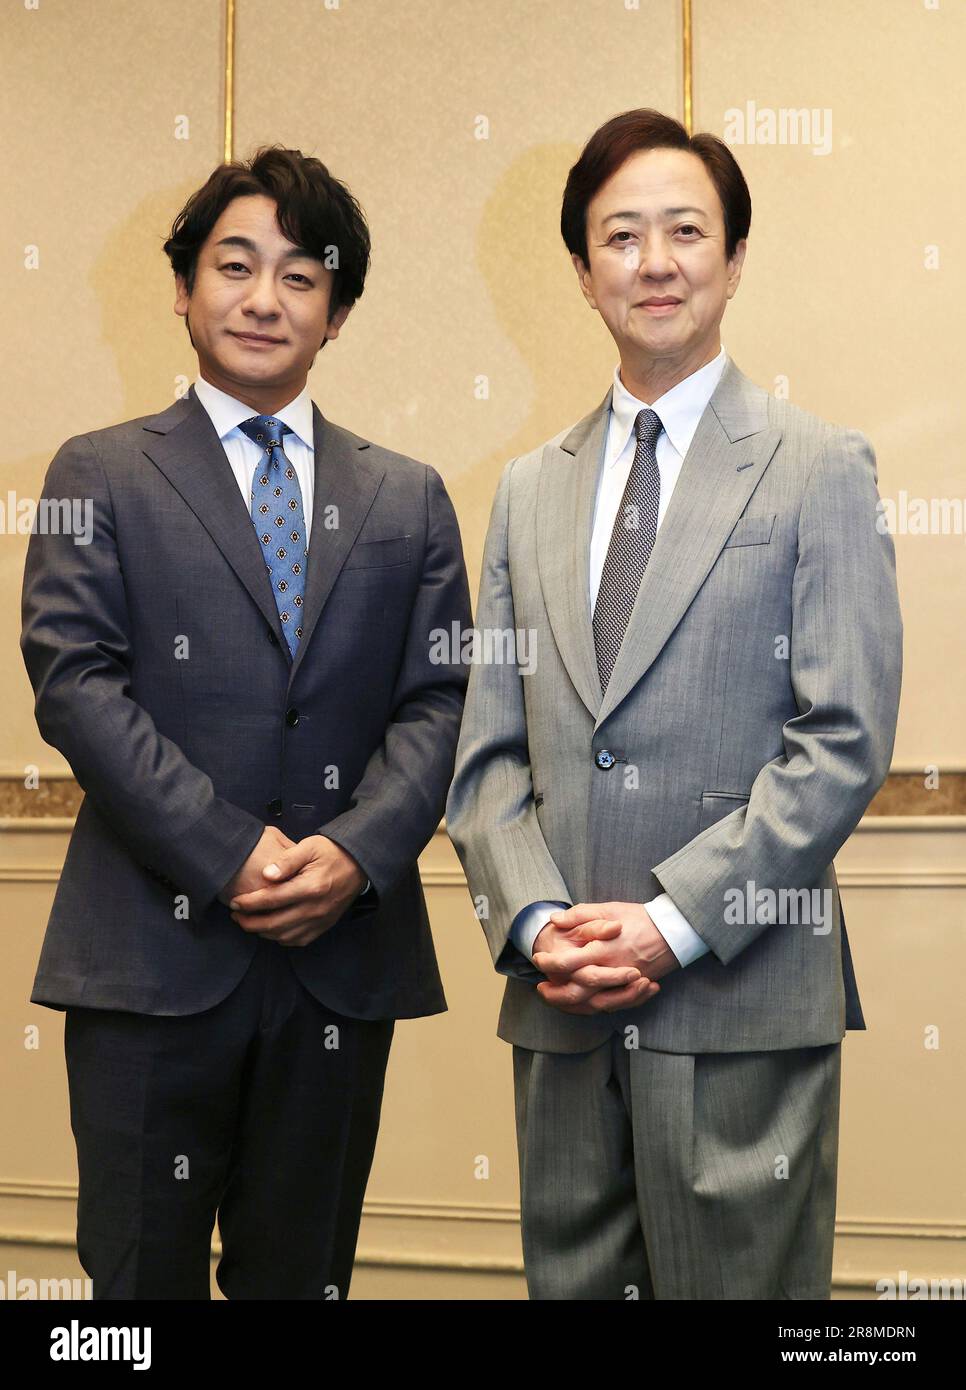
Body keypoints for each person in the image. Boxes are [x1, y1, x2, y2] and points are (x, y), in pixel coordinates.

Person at [445, 108, 902, 1300]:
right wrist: (543, 925)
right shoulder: (523, 494)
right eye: (622, 236)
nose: (655, 261)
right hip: (562, 1010)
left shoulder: (820, 464)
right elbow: (488, 754)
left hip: (738, 999)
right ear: (584, 274)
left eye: (686, 231)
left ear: (734, 259)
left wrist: (669, 922)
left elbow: (842, 741)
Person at [21, 145, 471, 1300]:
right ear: (182, 289)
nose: (264, 297)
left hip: (339, 958)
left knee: (304, 1278)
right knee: (132, 1290)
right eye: (234, 265)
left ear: (339, 312)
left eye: (301, 275)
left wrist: (355, 854)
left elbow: (442, 697)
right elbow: (76, 681)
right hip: (150, 957)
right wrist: (231, 852)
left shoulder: (407, 495)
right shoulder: (100, 471)